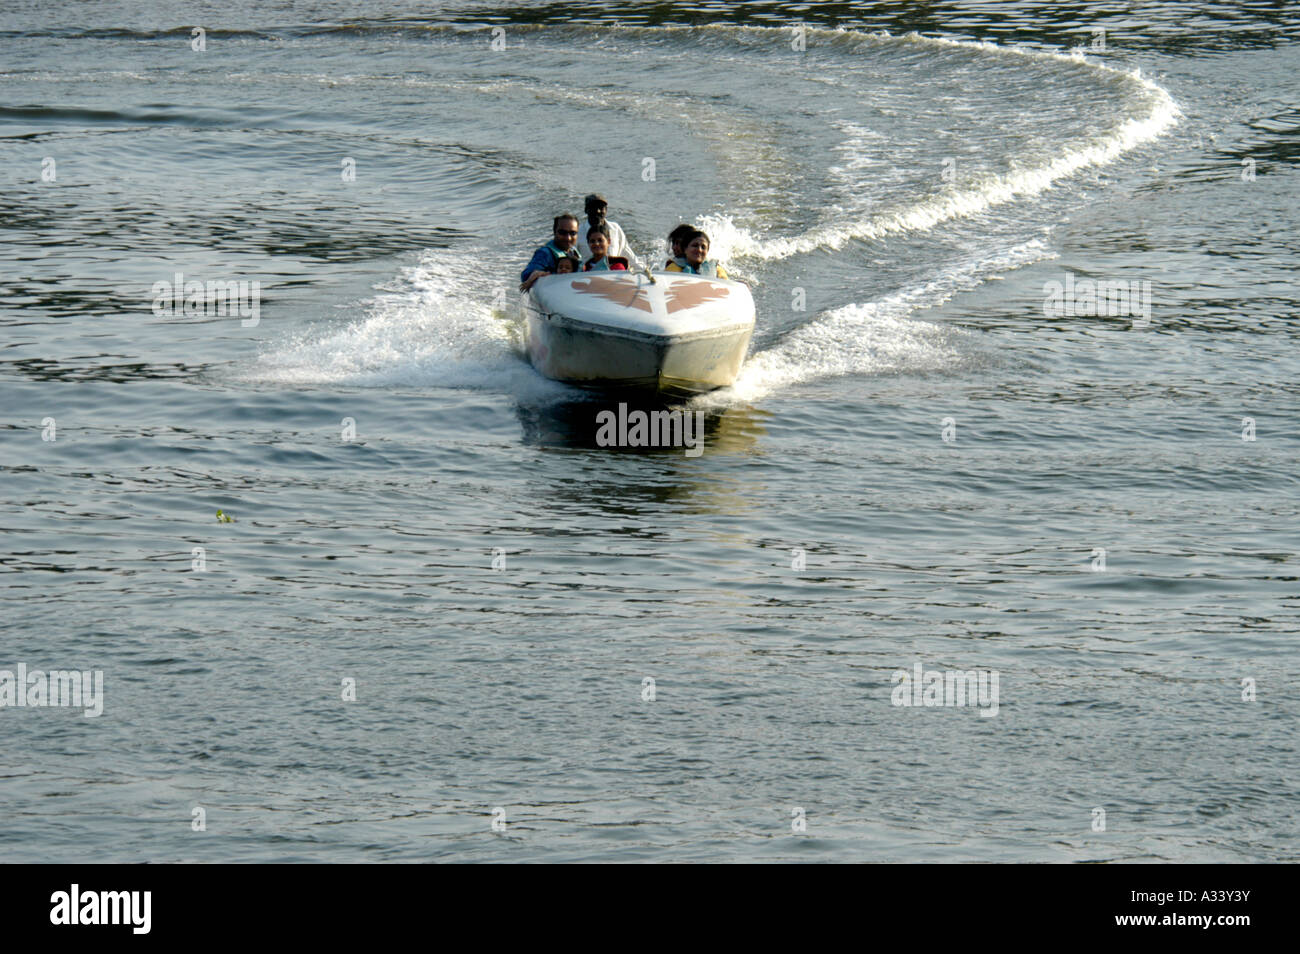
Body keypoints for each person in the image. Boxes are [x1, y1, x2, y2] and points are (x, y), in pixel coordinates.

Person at [575, 194, 640, 268]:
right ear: (586, 210)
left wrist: (646, 274)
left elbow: (629, 256)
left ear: (606, 210)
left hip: (613, 276)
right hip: (587, 277)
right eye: (593, 207)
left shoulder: (615, 229)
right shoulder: (577, 233)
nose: (598, 211)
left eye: (601, 207)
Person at [521, 214, 582, 290]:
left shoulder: (573, 251)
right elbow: (526, 276)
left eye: (573, 233)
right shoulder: (545, 253)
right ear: (554, 232)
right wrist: (540, 274)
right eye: (562, 232)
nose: (568, 238)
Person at [664, 229, 729, 279]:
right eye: (695, 245)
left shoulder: (717, 269)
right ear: (685, 249)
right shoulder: (673, 269)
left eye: (703, 247)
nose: (699, 250)